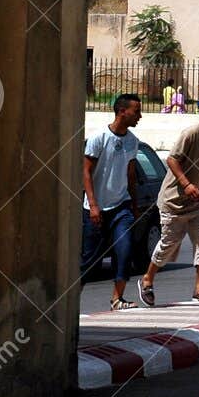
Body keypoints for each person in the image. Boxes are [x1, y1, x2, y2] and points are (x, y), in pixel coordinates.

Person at [140, 98, 199, 306]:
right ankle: (147, 279)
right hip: (174, 200)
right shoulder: (191, 134)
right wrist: (186, 183)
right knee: (168, 246)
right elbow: (172, 159)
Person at [82, 94, 142, 310]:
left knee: (125, 249)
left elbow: (131, 174)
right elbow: (86, 172)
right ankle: (70, 301)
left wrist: (134, 206)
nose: (140, 116)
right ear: (122, 111)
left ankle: (117, 298)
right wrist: (94, 205)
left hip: (121, 206)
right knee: (88, 261)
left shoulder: (133, 141)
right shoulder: (99, 137)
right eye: (136, 111)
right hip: (95, 208)